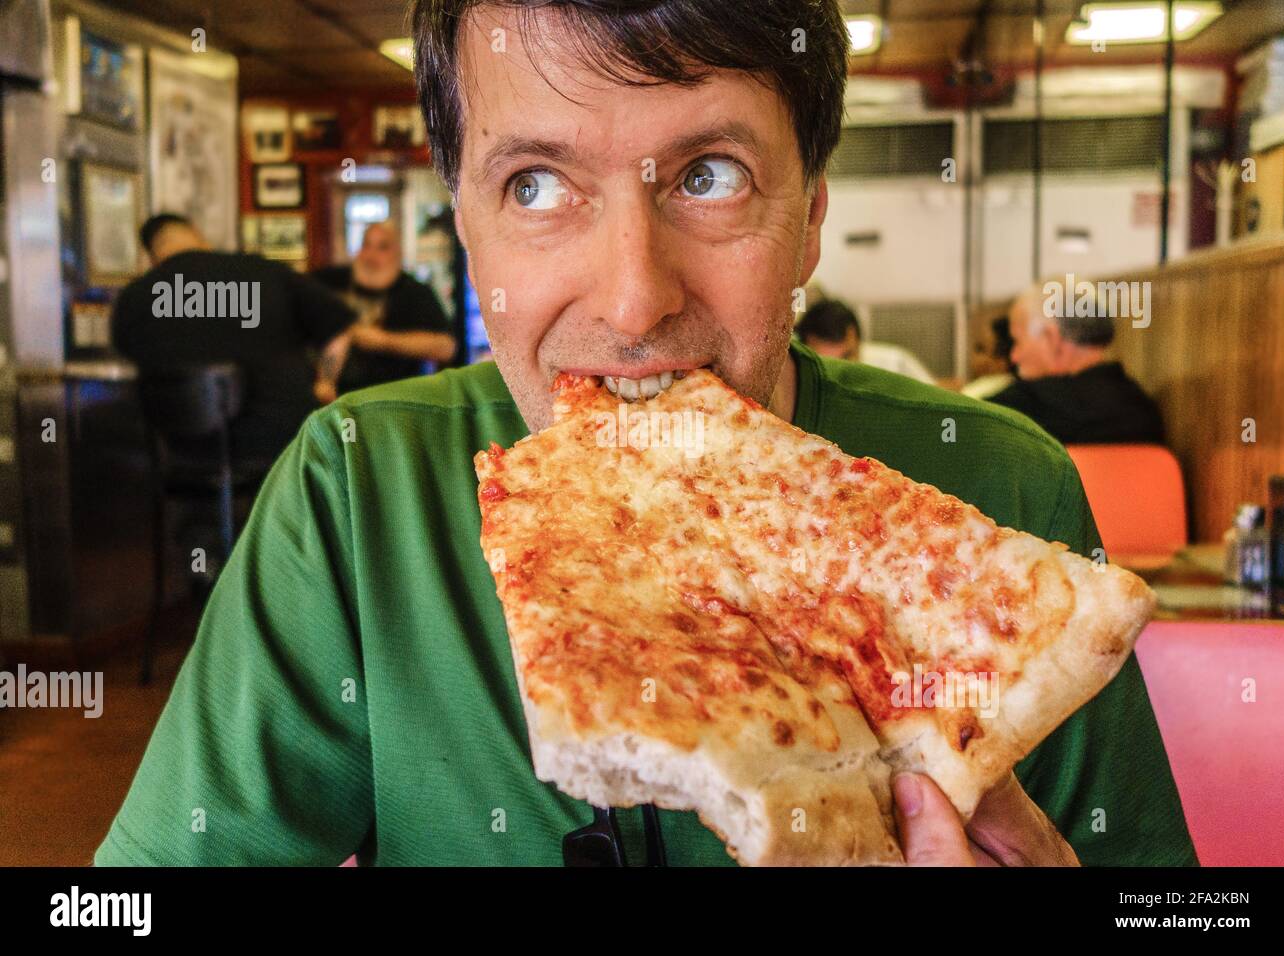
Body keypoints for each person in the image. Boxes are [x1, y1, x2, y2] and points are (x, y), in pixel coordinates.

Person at [96, 1, 1195, 868]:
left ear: (810, 215)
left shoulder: (1000, 490)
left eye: (709, 176)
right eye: (535, 185)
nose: (632, 302)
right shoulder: (353, 492)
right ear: (467, 228)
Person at [111, 214, 356, 466]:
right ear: (197, 234)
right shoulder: (265, 271)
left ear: (152, 256)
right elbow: (339, 329)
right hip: (280, 448)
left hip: (179, 452)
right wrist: (326, 382)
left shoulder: (135, 295)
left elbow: (126, 356)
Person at [988, 280, 1164, 444]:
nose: (1014, 356)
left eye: (1017, 341)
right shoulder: (1144, 412)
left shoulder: (1016, 409)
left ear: (1051, 339)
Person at [310, 221, 456, 400]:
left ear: (398, 254)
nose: (371, 255)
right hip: (330, 402)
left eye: (383, 247)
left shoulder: (415, 293)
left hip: (393, 402)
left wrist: (383, 340)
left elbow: (446, 347)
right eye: (366, 245)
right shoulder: (329, 281)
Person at [796, 298, 936, 384]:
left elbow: (934, 403)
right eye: (826, 363)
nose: (840, 370)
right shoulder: (798, 386)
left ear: (858, 343)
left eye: (847, 356)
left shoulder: (895, 364)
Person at [962, 314, 1015, 400]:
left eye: (980, 349)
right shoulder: (1010, 385)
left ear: (1001, 361)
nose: (973, 355)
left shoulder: (983, 392)